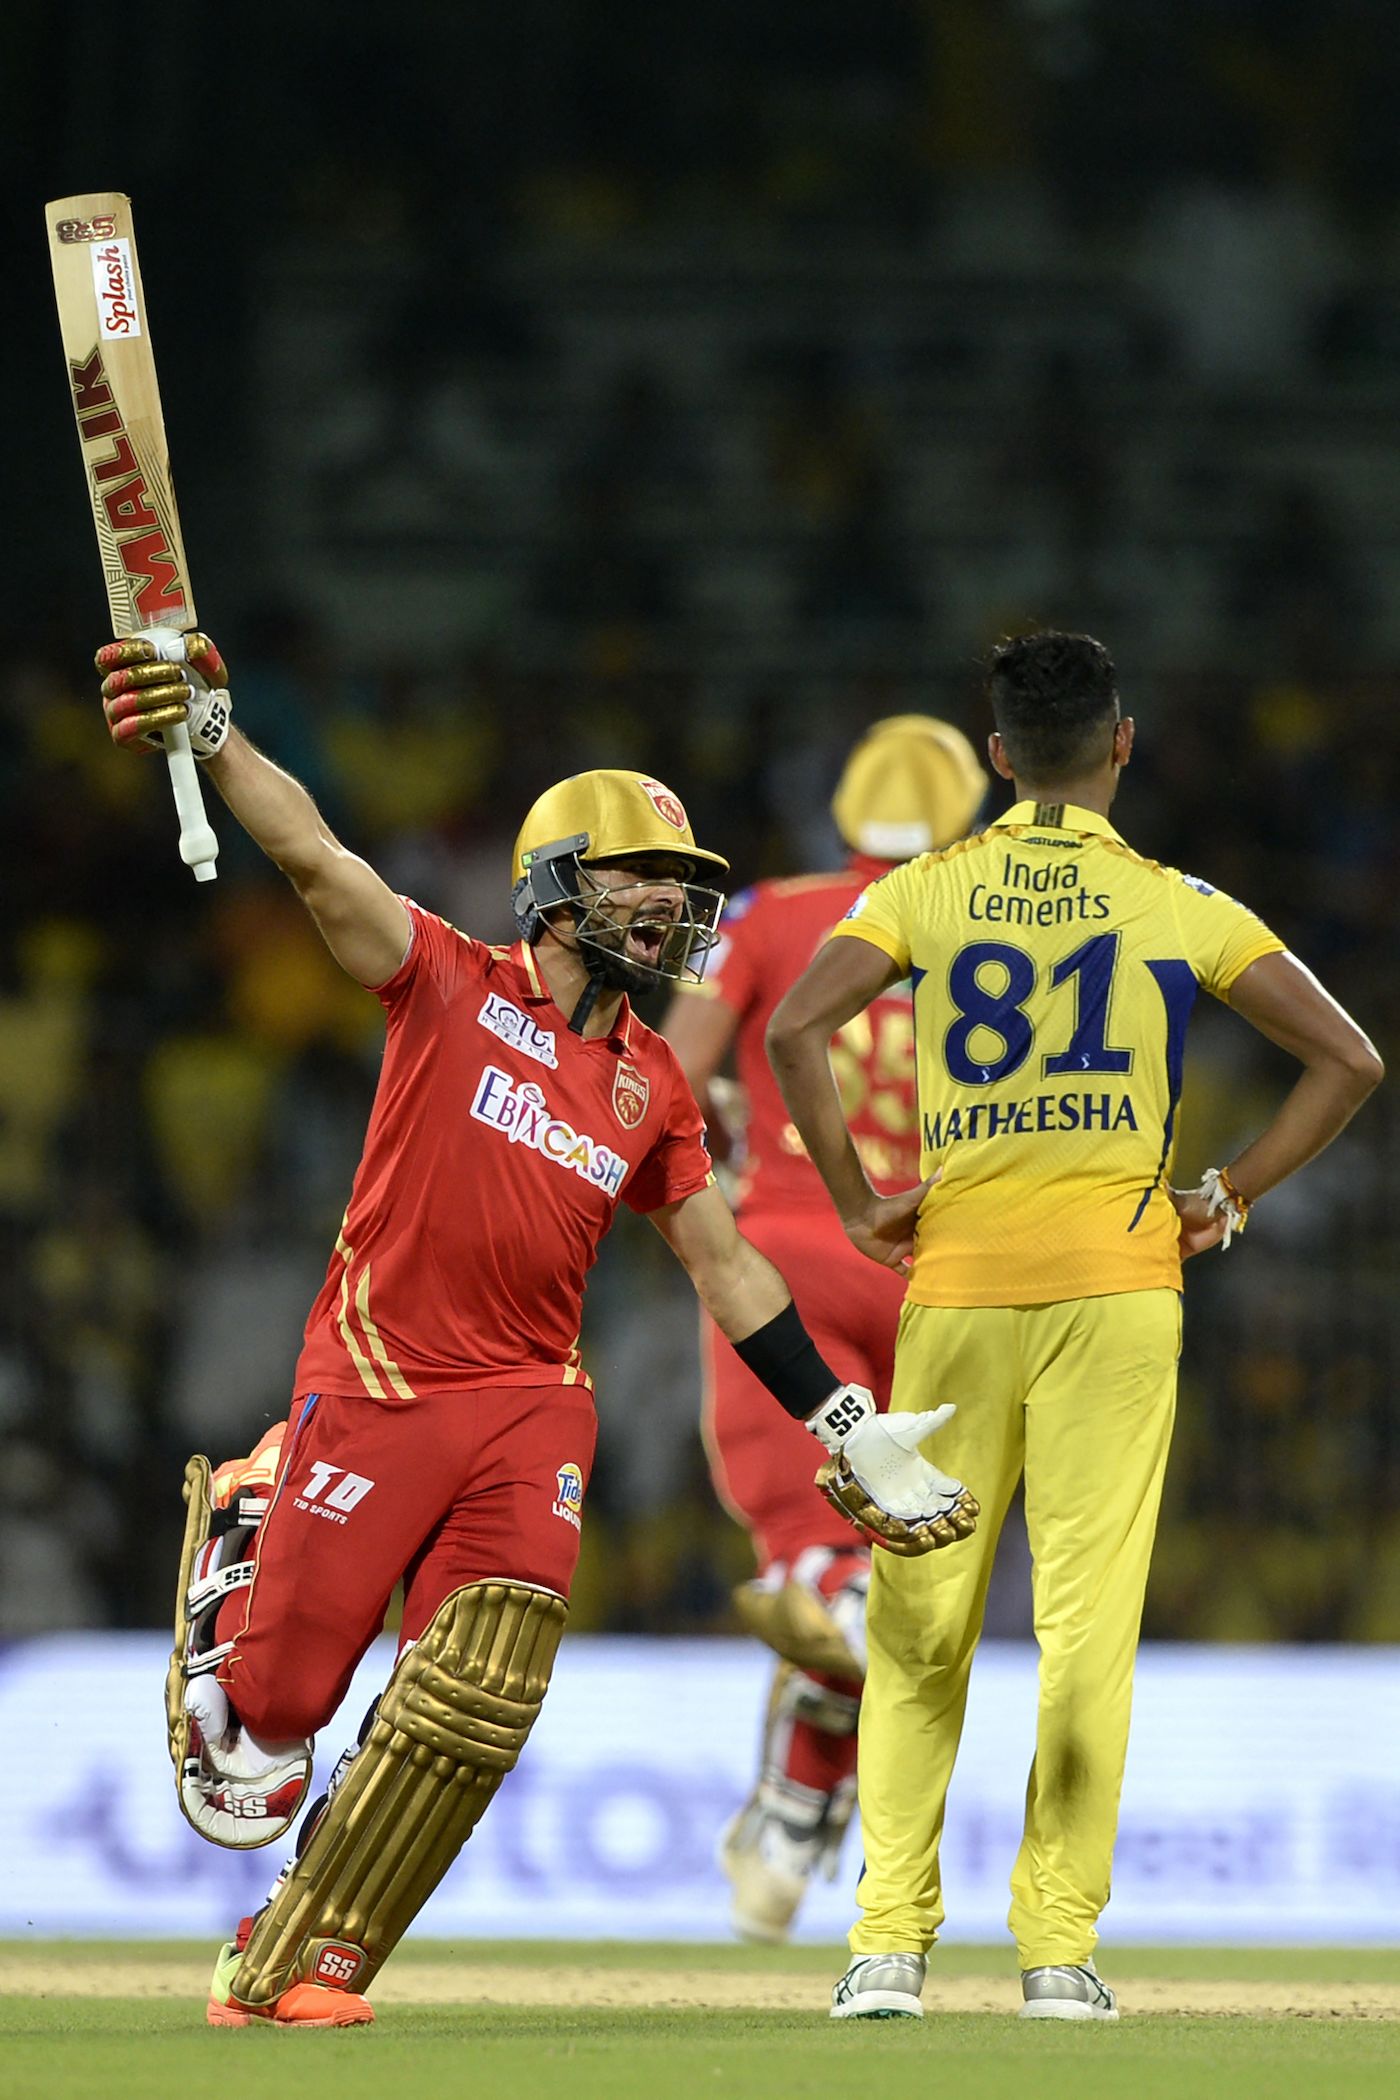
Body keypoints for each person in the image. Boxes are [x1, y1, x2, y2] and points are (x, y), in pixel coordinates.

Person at [95, 628, 977, 2029]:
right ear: (558, 888)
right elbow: (318, 860)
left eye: (682, 887)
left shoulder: (652, 1093)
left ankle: (306, 1953)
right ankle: (248, 1532)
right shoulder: (446, 982)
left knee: (481, 1691)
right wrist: (212, 734)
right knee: (273, 1708)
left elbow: (729, 1266)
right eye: (640, 878)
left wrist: (844, 1420)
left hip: (527, 1403)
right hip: (379, 1382)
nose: (669, 908)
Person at [766, 630, 1383, 2022]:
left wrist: (865, 1205)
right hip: (1119, 1290)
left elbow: (797, 1033)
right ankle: (1055, 1957)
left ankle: (884, 1949)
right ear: (1122, 744)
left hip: (958, 1291)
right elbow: (1350, 1059)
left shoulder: (926, 888)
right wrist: (1222, 1195)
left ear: (994, 758)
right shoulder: (1180, 903)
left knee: (922, 1613)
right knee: (1085, 1629)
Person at [661, 715, 987, 1942]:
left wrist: (730, 1131)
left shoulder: (768, 914)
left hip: (791, 1247)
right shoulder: (995, 918)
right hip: (948, 1266)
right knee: (899, 1555)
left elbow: (679, 1076)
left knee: (811, 1535)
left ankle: (801, 1771)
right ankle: (799, 1805)